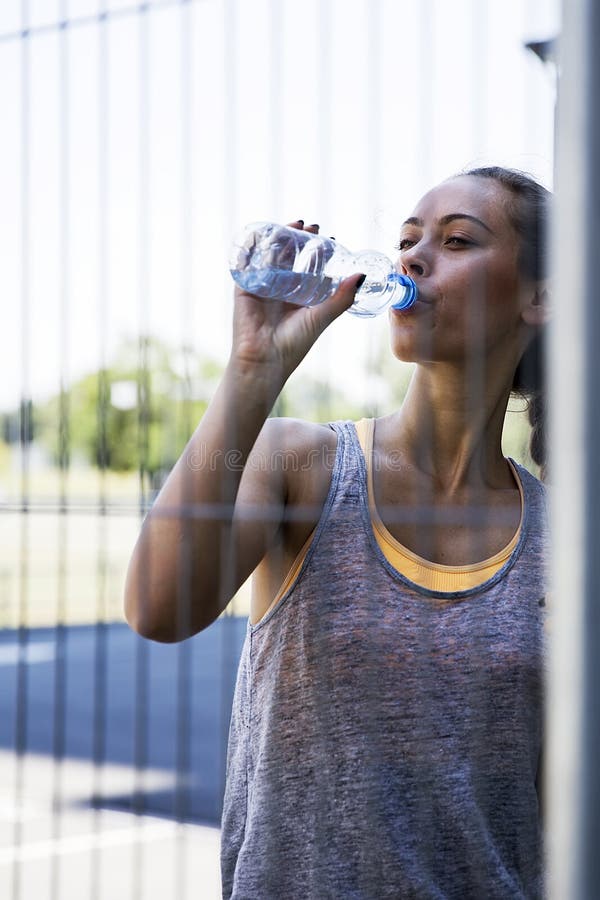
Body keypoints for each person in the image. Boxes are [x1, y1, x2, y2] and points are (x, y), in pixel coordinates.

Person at [124, 166, 550, 899]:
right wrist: (254, 371)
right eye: (407, 239)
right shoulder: (304, 465)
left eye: (456, 241)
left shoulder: (566, 542)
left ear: (540, 296)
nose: (412, 259)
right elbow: (158, 610)